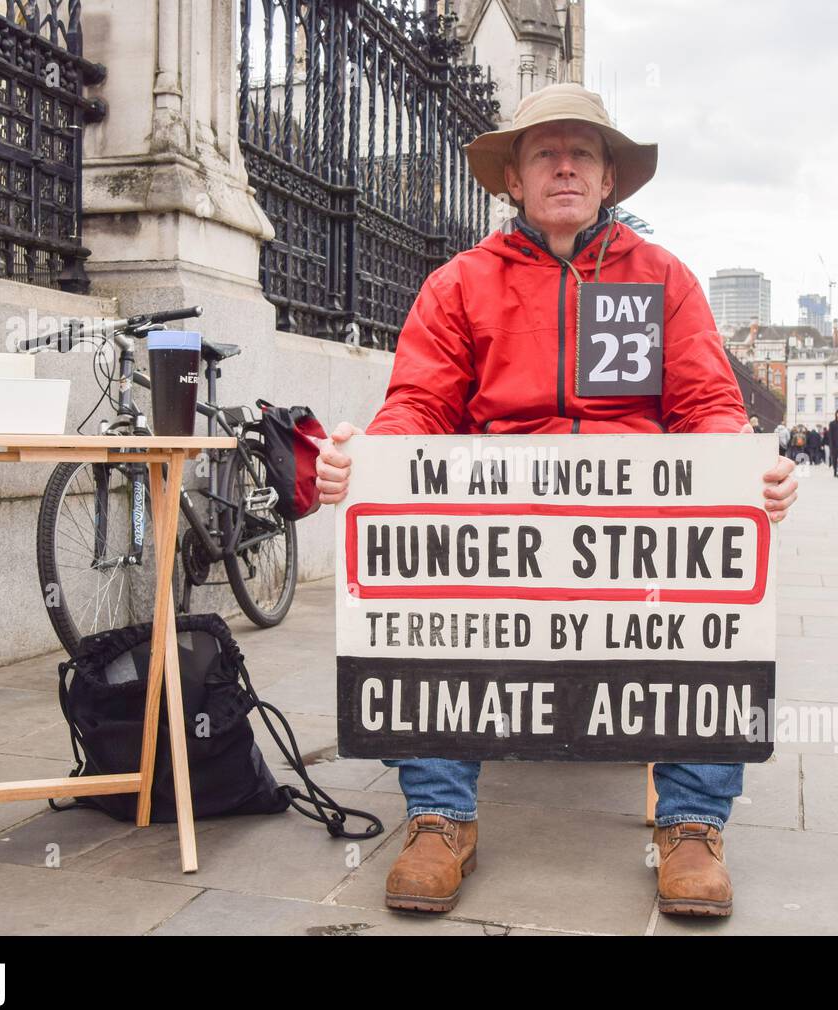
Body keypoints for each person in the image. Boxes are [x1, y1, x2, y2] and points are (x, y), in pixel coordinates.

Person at [315, 83, 800, 916]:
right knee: (415, 583)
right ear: (515, 177)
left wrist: (743, 471)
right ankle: (438, 813)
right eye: (546, 152)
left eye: (583, 151)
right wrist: (369, 456)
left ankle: (690, 822)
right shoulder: (460, 283)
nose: (565, 165)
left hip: (639, 519)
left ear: (610, 177)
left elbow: (709, 405)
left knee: (721, 586)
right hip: (500, 514)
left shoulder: (664, 279)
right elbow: (420, 403)